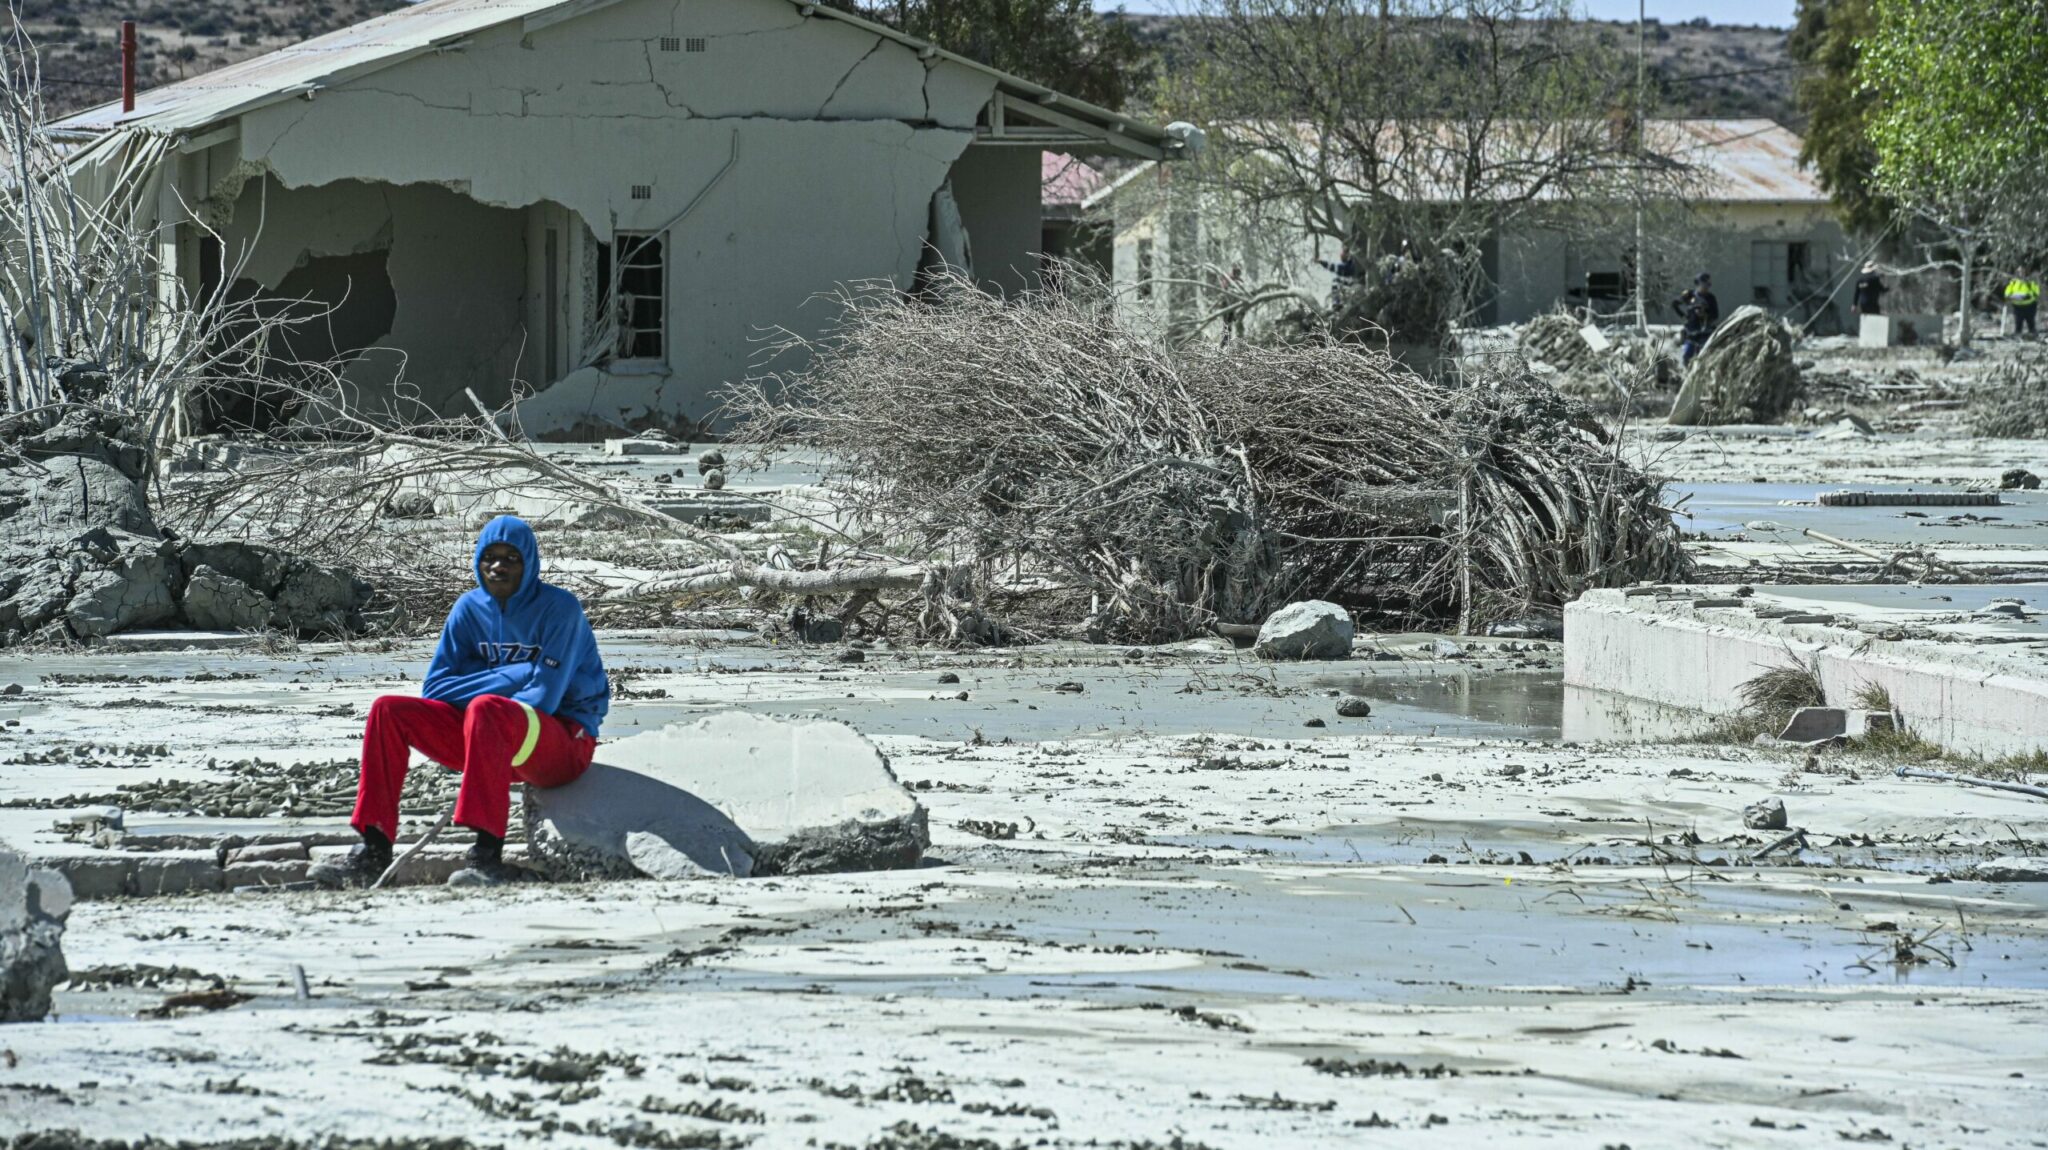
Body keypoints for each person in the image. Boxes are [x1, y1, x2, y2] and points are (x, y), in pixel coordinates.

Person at [312, 515, 610, 888]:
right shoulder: (468, 609)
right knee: (388, 710)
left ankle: (487, 857)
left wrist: (485, 694)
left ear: (530, 563)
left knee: (487, 709)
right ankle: (373, 851)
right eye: (490, 557)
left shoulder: (560, 609)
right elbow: (436, 688)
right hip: (486, 740)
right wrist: (515, 674)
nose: (498, 566)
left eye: (511, 558)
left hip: (562, 745)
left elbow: (545, 699)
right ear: (477, 561)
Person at [1671, 272, 1721, 366]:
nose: (1706, 287)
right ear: (1698, 283)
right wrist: (1683, 316)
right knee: (1686, 357)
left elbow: (1715, 315)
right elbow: (1675, 304)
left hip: (1705, 334)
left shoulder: (1711, 298)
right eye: (1704, 284)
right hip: (1691, 334)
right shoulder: (1690, 295)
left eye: (1708, 284)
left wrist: (1705, 314)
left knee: (1703, 359)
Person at [2004, 270, 2040, 337]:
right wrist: (2010, 296)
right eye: (2019, 273)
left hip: (2030, 305)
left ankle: (2032, 333)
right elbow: (2007, 292)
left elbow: (2036, 293)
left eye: (2023, 273)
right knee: (2018, 321)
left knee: (2030, 320)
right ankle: (2018, 334)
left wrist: (2028, 296)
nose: (2021, 275)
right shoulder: (2013, 282)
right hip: (2017, 306)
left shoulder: (2031, 282)